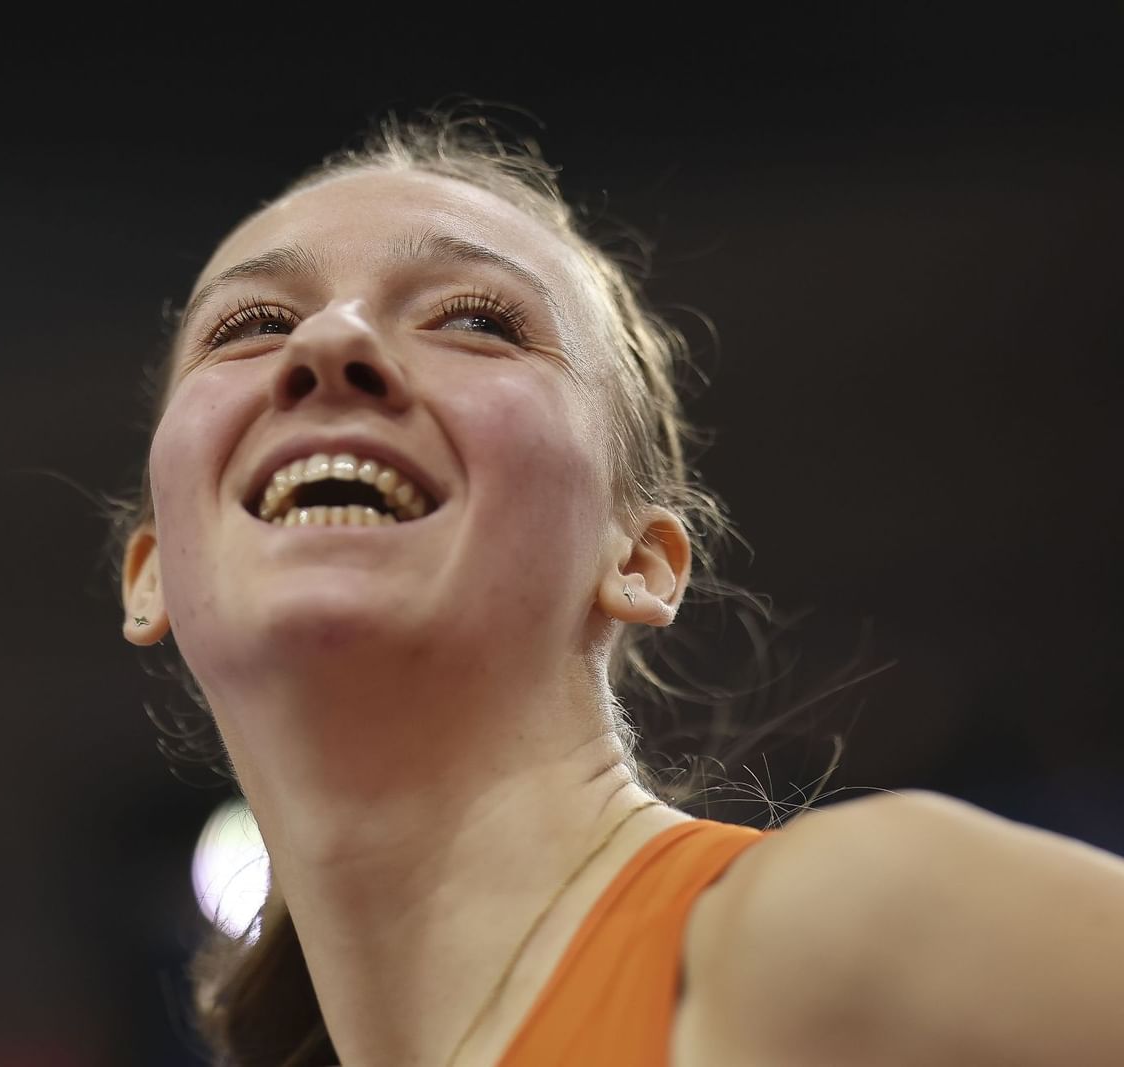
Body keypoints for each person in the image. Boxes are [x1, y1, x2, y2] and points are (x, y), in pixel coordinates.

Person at [110, 110, 1124, 1065]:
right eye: (249, 324)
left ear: (638, 558)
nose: (329, 342)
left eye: (475, 320)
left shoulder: (834, 925)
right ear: (151, 572)